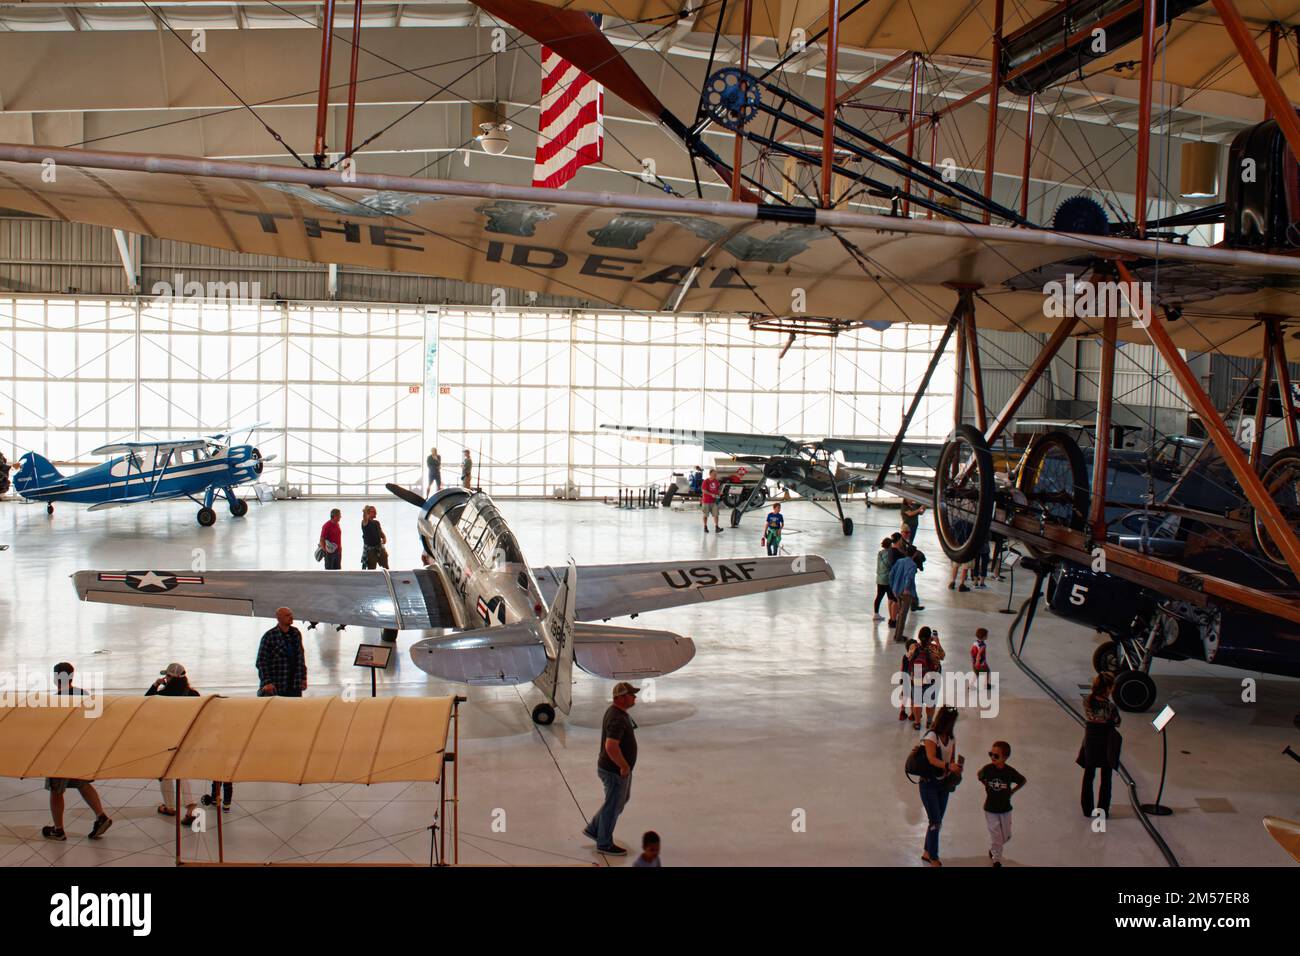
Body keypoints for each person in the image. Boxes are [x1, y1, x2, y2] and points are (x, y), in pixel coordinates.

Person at [42, 662, 112, 841]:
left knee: (56, 791)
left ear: (56, 677)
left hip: (60, 752)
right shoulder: (84, 694)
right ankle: (101, 816)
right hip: (80, 749)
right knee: (82, 783)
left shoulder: (54, 700)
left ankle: (58, 830)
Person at [583, 682, 639, 855]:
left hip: (615, 769)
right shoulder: (617, 718)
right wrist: (623, 766)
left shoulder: (617, 712)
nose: (635, 697)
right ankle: (604, 843)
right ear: (621, 698)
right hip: (614, 771)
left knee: (618, 801)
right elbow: (611, 746)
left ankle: (594, 828)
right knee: (613, 806)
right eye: (631, 694)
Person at [147, 663, 200, 824]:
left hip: (166, 738)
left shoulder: (163, 695)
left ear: (169, 678)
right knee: (181, 772)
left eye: (166, 676)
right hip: (186, 738)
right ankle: (190, 808)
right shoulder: (193, 694)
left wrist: (155, 685)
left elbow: (144, 704)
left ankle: (171, 806)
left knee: (164, 773)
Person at [918, 706, 961, 867]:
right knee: (935, 822)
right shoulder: (931, 736)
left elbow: (952, 757)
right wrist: (948, 766)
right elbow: (931, 759)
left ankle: (927, 851)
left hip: (944, 783)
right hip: (929, 784)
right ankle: (933, 857)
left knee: (937, 820)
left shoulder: (951, 738)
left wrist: (955, 767)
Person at [1079, 672, 1121, 818]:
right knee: (1106, 777)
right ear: (1108, 688)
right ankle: (1102, 810)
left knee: (1088, 775)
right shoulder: (1110, 706)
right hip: (1106, 742)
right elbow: (1117, 722)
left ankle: (1087, 808)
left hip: (1090, 740)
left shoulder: (1087, 701)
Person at [977, 740, 1026, 867]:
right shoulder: (987, 769)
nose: (992, 757)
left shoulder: (1009, 772)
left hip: (1005, 808)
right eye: (990, 754)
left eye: (996, 756)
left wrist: (1012, 791)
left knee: (1006, 836)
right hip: (990, 809)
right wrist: (986, 785)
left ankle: (994, 848)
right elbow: (979, 775)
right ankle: (996, 859)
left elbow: (1022, 780)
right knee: (996, 835)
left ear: (1005, 757)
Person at [257, 607, 308, 698]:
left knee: (295, 710)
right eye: (287, 615)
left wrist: (303, 678)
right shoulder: (269, 636)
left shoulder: (296, 633)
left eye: (291, 615)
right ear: (279, 618)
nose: (291, 617)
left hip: (295, 685)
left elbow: (300, 657)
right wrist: (267, 682)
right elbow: (261, 661)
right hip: (277, 685)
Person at [912, 625, 944, 728]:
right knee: (931, 701)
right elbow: (942, 656)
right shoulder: (934, 648)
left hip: (918, 676)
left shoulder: (914, 647)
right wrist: (937, 641)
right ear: (930, 637)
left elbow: (909, 658)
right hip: (932, 678)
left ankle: (917, 723)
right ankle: (929, 722)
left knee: (917, 701)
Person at [888, 546, 922, 632]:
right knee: (903, 615)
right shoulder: (913, 564)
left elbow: (891, 574)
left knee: (899, 612)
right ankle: (899, 635)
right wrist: (906, 589)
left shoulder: (899, 561)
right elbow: (909, 577)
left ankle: (897, 634)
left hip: (896, 590)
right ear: (914, 554)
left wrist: (893, 587)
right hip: (905, 593)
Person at [874, 537, 897, 622]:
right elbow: (889, 565)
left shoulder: (880, 553)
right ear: (890, 545)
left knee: (879, 596)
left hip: (879, 578)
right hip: (887, 580)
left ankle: (876, 614)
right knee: (890, 598)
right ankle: (892, 617)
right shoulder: (890, 554)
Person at [361, 505, 388, 570]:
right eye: (374, 511)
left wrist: (384, 538)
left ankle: (387, 578)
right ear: (368, 513)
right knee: (372, 568)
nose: (376, 513)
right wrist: (364, 511)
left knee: (386, 566)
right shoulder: (365, 522)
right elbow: (365, 518)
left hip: (379, 548)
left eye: (375, 511)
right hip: (371, 551)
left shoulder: (377, 522)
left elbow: (381, 533)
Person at [700, 468, 724, 534]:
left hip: (713, 501)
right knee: (705, 515)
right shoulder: (706, 481)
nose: (715, 475)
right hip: (706, 501)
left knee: (716, 515)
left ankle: (717, 527)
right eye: (714, 474)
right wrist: (711, 494)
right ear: (710, 474)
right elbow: (703, 490)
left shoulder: (716, 482)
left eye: (716, 474)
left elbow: (717, 490)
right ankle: (705, 526)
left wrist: (719, 493)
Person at [970, 627, 991, 694]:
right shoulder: (983, 645)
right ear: (984, 636)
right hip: (981, 663)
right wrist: (978, 662)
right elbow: (979, 654)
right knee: (987, 671)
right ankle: (986, 685)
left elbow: (971, 651)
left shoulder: (975, 642)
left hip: (974, 662)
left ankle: (971, 685)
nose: (987, 636)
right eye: (987, 635)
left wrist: (973, 660)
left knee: (976, 673)